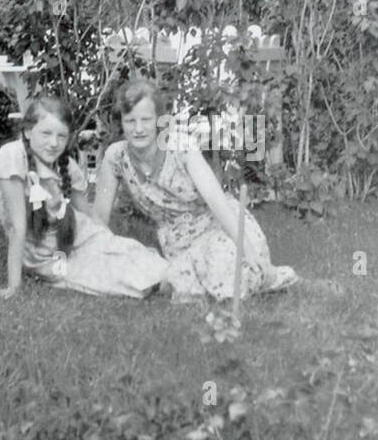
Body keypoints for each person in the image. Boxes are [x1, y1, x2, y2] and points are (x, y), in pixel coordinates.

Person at [93, 78, 298, 302]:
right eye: (130, 121)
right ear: (121, 123)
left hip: (220, 227)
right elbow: (99, 219)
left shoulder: (181, 147)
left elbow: (217, 201)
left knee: (224, 264)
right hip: (178, 245)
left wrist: (246, 248)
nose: (139, 128)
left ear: (159, 121)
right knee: (175, 281)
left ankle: (280, 279)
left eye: (146, 120)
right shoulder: (116, 157)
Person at [0, 94, 167, 299]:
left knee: (129, 251)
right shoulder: (11, 157)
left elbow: (88, 215)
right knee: (111, 275)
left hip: (78, 234)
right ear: (28, 131)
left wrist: (111, 242)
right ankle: (166, 280)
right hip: (46, 255)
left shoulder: (66, 165)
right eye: (46, 133)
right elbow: (18, 227)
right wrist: (13, 288)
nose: (54, 143)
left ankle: (173, 272)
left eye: (61, 136)